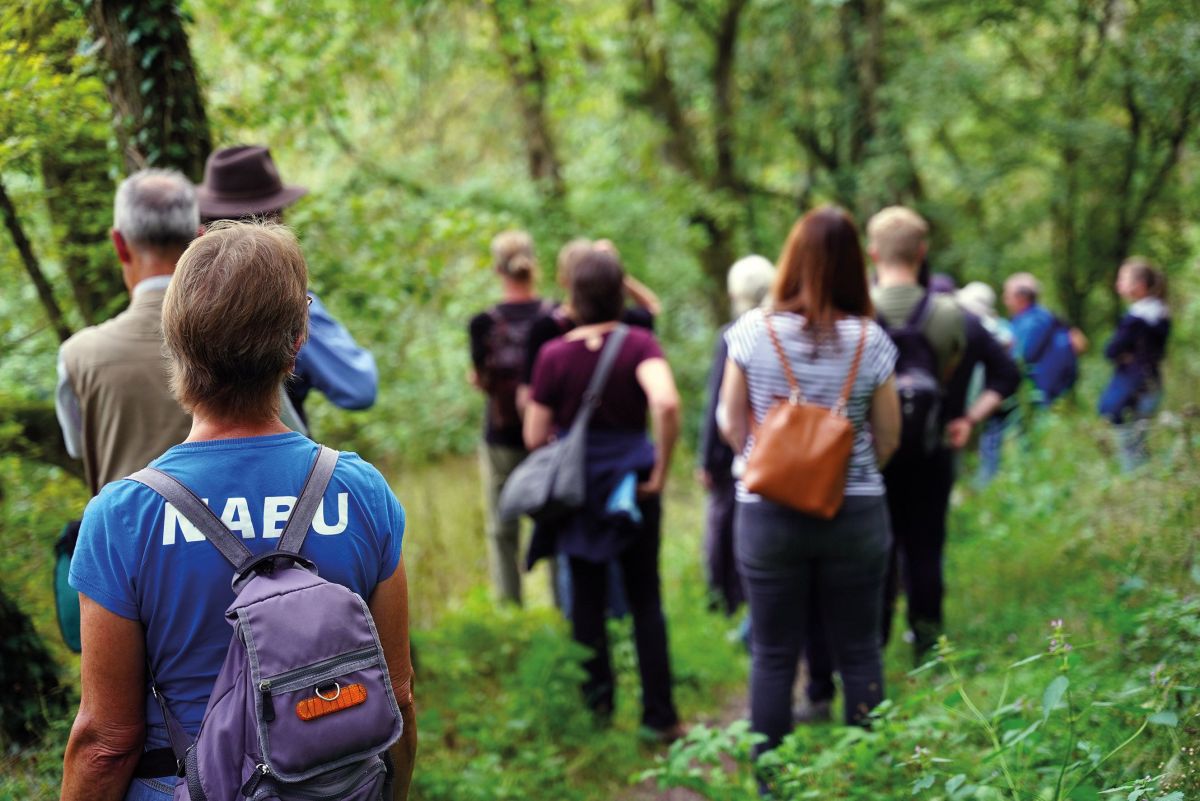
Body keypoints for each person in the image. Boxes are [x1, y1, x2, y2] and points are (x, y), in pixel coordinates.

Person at [60, 222, 416, 801]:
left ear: (173, 341)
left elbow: (107, 741)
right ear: (297, 342)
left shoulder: (124, 517)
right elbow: (396, 695)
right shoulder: (360, 492)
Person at [719, 206, 900, 757]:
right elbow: (889, 437)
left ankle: (773, 783)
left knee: (773, 654)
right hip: (856, 514)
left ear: (791, 260)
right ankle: (867, 780)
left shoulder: (751, 332)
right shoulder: (871, 341)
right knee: (861, 651)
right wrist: (849, 472)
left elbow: (729, 423)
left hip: (768, 513)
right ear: (854, 267)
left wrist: (772, 463)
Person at [524, 249, 685, 742]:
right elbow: (666, 401)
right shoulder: (639, 343)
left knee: (587, 602)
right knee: (645, 600)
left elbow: (534, 435)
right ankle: (659, 717)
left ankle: (598, 715)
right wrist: (659, 467)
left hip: (578, 490)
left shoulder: (553, 356)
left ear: (572, 297)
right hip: (630, 489)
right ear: (620, 293)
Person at [196, 145, 377, 429]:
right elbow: (359, 387)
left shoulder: (177, 306)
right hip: (282, 467)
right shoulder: (294, 306)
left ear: (203, 232)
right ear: (276, 226)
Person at [56, 169, 199, 497]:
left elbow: (79, 447)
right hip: (236, 544)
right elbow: (289, 433)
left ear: (119, 244)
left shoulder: (79, 357)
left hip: (126, 543)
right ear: (199, 240)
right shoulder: (240, 336)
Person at [467, 230, 552, 604]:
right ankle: (565, 604)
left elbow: (480, 380)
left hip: (501, 437)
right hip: (550, 438)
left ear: (497, 269)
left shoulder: (482, 323)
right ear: (534, 264)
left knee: (502, 529)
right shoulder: (556, 316)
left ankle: (509, 609)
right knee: (555, 521)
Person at [697, 255, 775, 616]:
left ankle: (725, 600)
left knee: (723, 526)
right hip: (775, 447)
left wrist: (707, 459)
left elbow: (719, 403)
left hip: (737, 450)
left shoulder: (733, 335)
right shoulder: (781, 329)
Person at [1100, 258, 1170, 471]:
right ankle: (1144, 479)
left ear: (1138, 286)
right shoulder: (1161, 313)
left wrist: (1124, 355)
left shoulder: (1136, 318)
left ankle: (1136, 479)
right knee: (1140, 437)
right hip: (1152, 382)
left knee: (1129, 441)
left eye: (1122, 279)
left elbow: (1111, 350)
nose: (1117, 284)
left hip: (1133, 385)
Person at [955, 281, 1016, 486]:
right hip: (990, 402)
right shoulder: (1000, 329)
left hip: (974, 401)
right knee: (986, 448)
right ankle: (981, 489)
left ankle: (977, 488)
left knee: (974, 449)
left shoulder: (975, 328)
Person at [1002, 272, 1084, 406]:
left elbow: (1021, 358)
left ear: (1021, 297)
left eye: (1007, 295)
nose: (1005, 300)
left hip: (1040, 393)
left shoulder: (1035, 321)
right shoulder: (1033, 317)